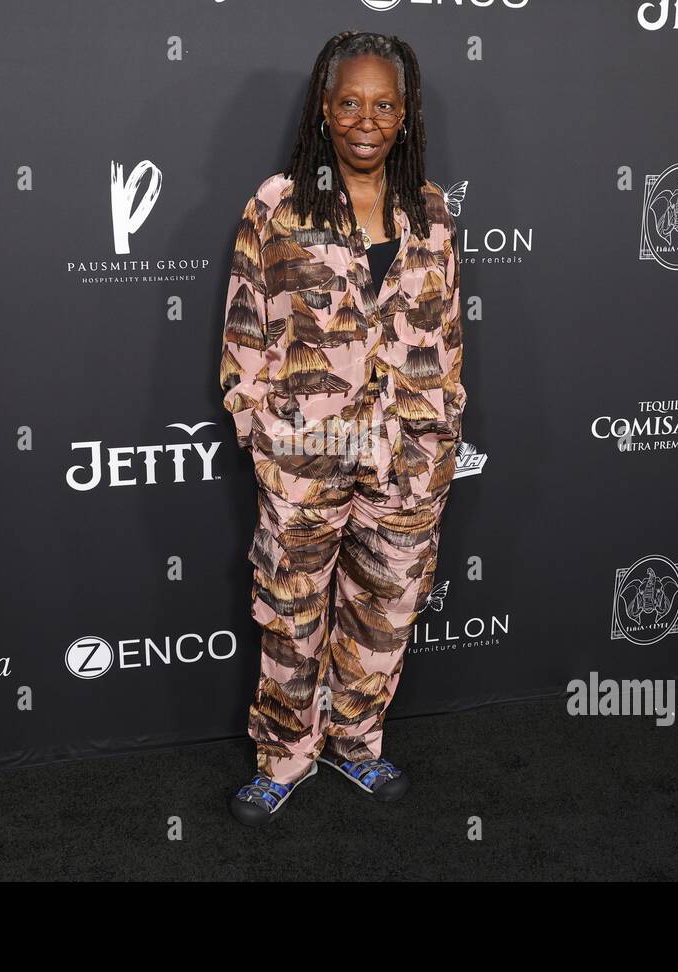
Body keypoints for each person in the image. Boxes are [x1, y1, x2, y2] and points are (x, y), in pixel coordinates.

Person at [218, 30, 466, 826]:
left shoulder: (429, 208)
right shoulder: (278, 204)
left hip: (406, 462)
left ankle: (358, 744)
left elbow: (448, 331)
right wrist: (264, 435)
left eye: (384, 104)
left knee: (384, 613)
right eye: (350, 102)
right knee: (291, 613)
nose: (368, 119)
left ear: (406, 112)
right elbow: (244, 334)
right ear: (324, 112)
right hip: (305, 460)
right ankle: (285, 757)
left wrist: (440, 436)